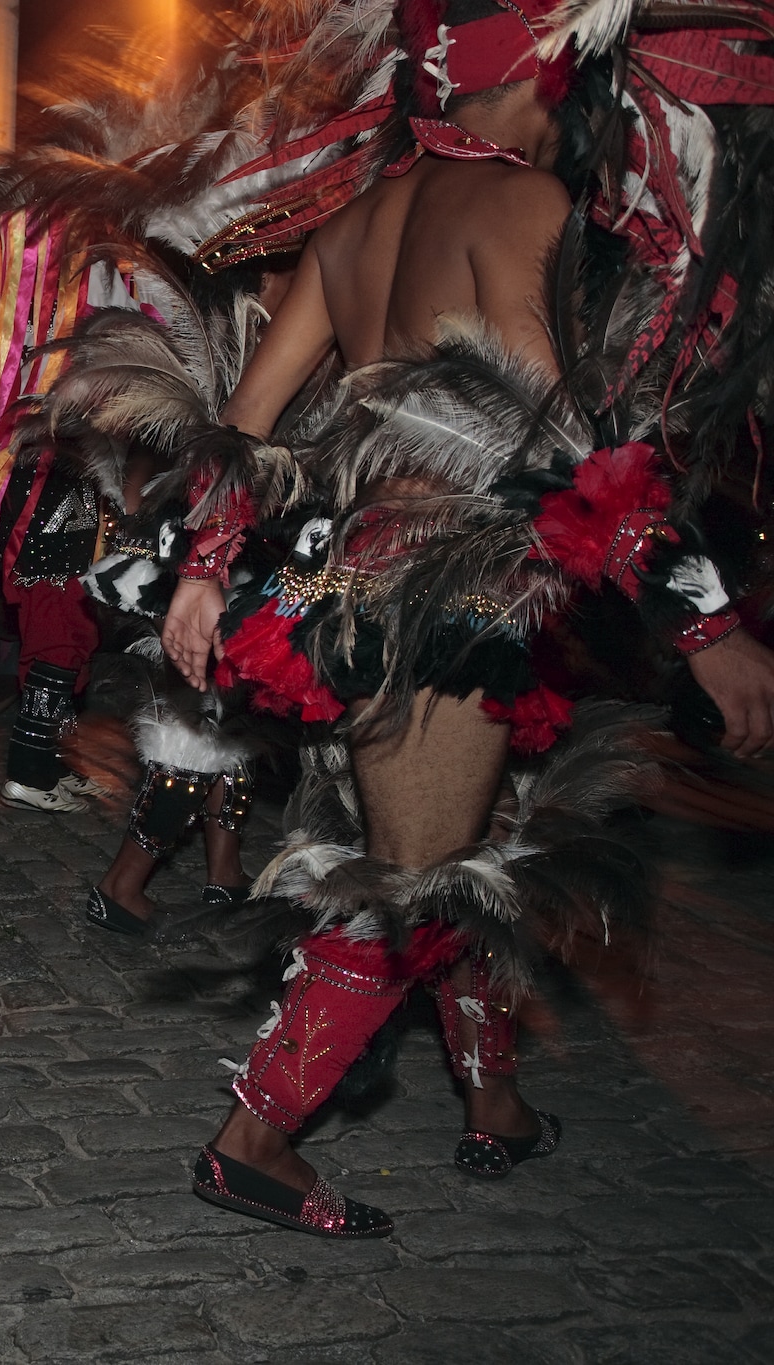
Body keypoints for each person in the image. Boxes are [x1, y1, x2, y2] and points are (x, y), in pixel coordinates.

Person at [128, 0, 774, 1237]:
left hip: (335, 598)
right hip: (447, 607)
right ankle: (254, 1141)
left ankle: (495, 1101)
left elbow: (242, 428)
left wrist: (206, 567)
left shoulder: (357, 222)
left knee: (483, 835)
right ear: (543, 74)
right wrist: (707, 628)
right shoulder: (525, 211)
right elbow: (569, 452)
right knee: (418, 878)